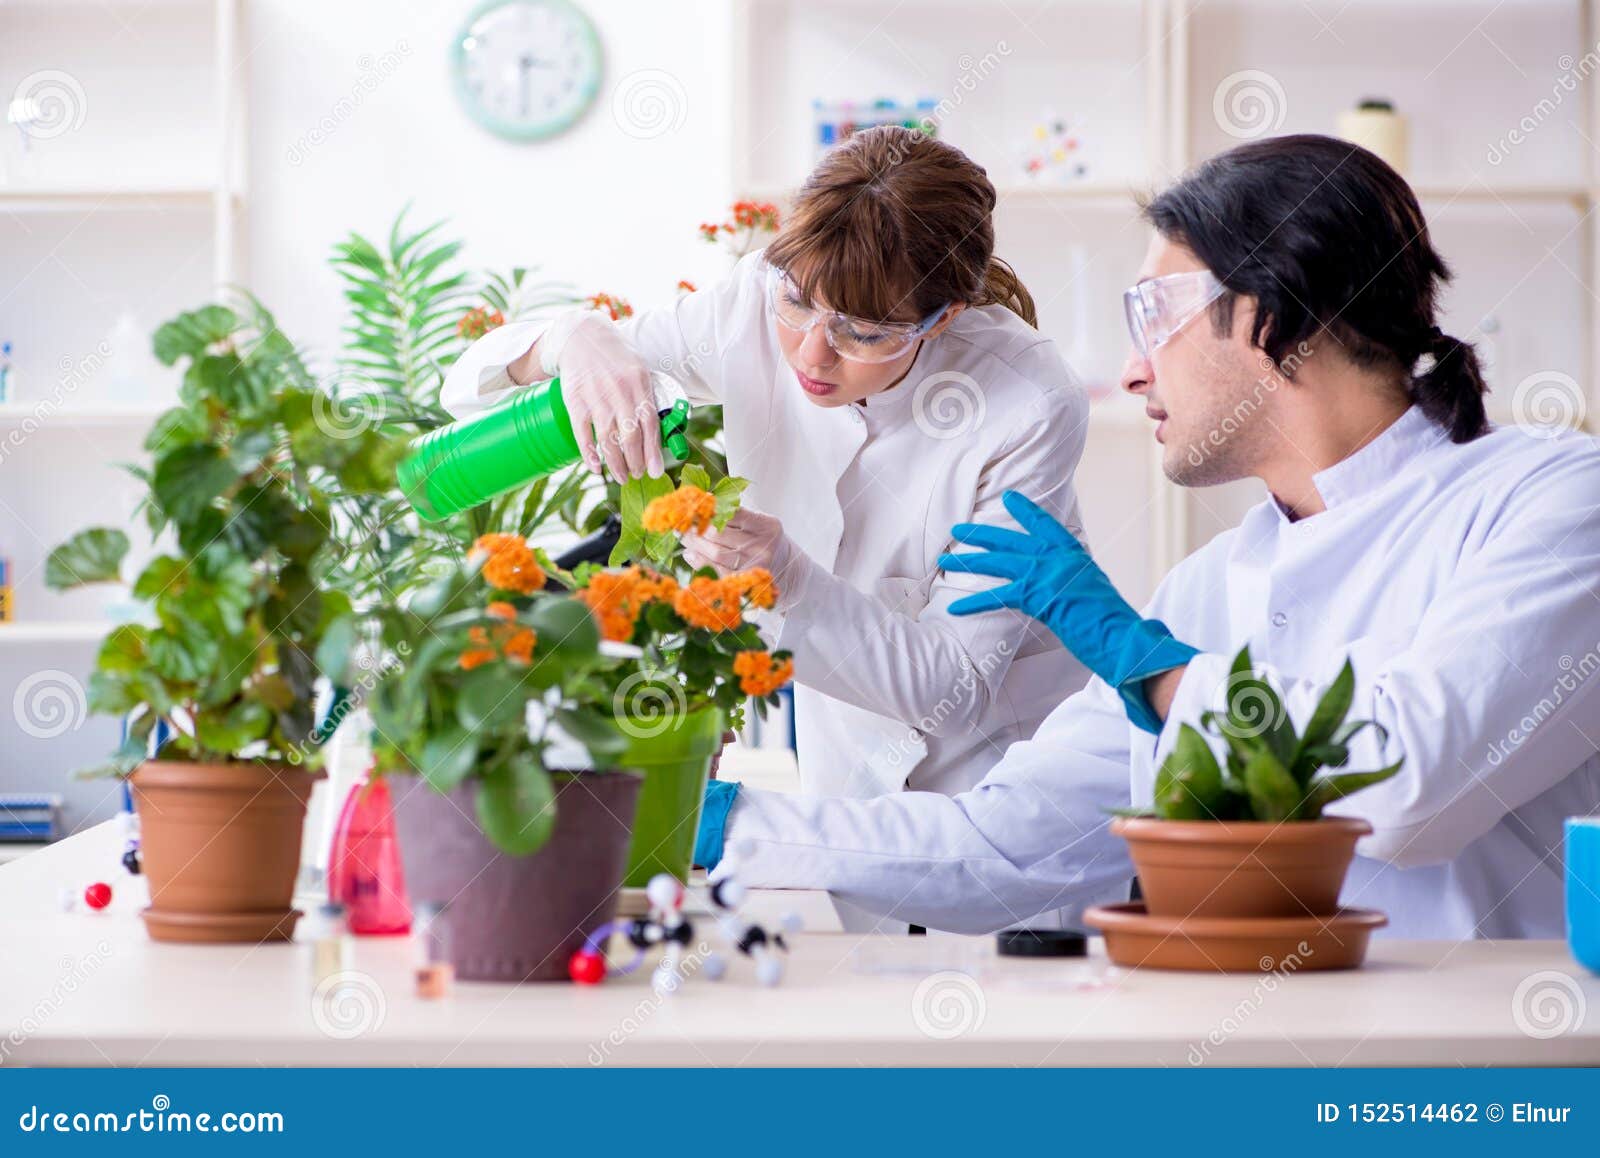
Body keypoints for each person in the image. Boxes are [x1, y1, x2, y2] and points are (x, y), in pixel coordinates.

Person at [692, 134, 1600, 940]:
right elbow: (999, 848)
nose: (1131, 372)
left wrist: (1154, 668)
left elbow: (1411, 789)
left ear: (1270, 314)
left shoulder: (1554, 500)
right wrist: (707, 821)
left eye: (1152, 317)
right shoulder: (1206, 592)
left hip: (1490, 1073)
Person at [443, 127, 1092, 930]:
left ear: (944, 316)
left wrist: (790, 576)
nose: (812, 353)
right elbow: (462, 393)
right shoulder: (756, 301)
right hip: (849, 789)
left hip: (998, 782)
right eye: (798, 306)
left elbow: (953, 693)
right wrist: (573, 339)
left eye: (865, 333)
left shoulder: (1027, 403)